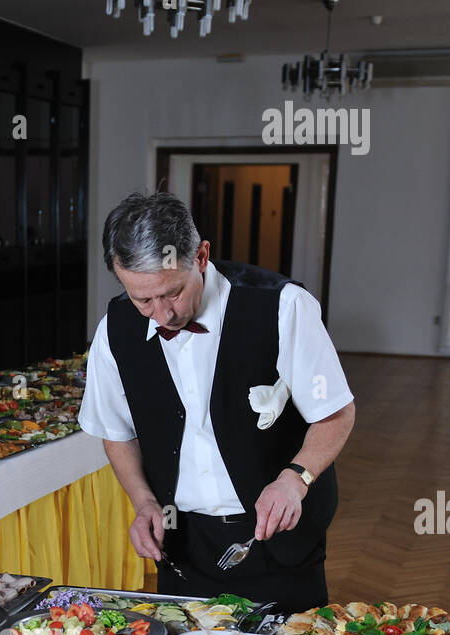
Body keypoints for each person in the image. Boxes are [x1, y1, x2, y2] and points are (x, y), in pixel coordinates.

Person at [78, 190, 355, 609]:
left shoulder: (281, 306)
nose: (162, 315)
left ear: (202, 257)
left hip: (280, 538)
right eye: (142, 299)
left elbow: (335, 413)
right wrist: (144, 502)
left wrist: (295, 479)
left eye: (172, 293)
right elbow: (117, 432)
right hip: (183, 545)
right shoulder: (114, 329)